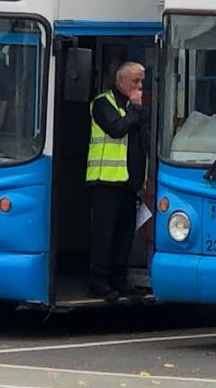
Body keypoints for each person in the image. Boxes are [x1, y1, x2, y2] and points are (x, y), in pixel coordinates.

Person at [87, 61, 149, 301]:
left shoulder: (135, 106)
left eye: (142, 81)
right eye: (135, 81)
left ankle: (120, 279)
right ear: (120, 81)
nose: (140, 86)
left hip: (129, 183)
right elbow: (117, 129)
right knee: (104, 235)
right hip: (105, 181)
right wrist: (135, 109)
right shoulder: (103, 103)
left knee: (125, 235)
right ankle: (98, 281)